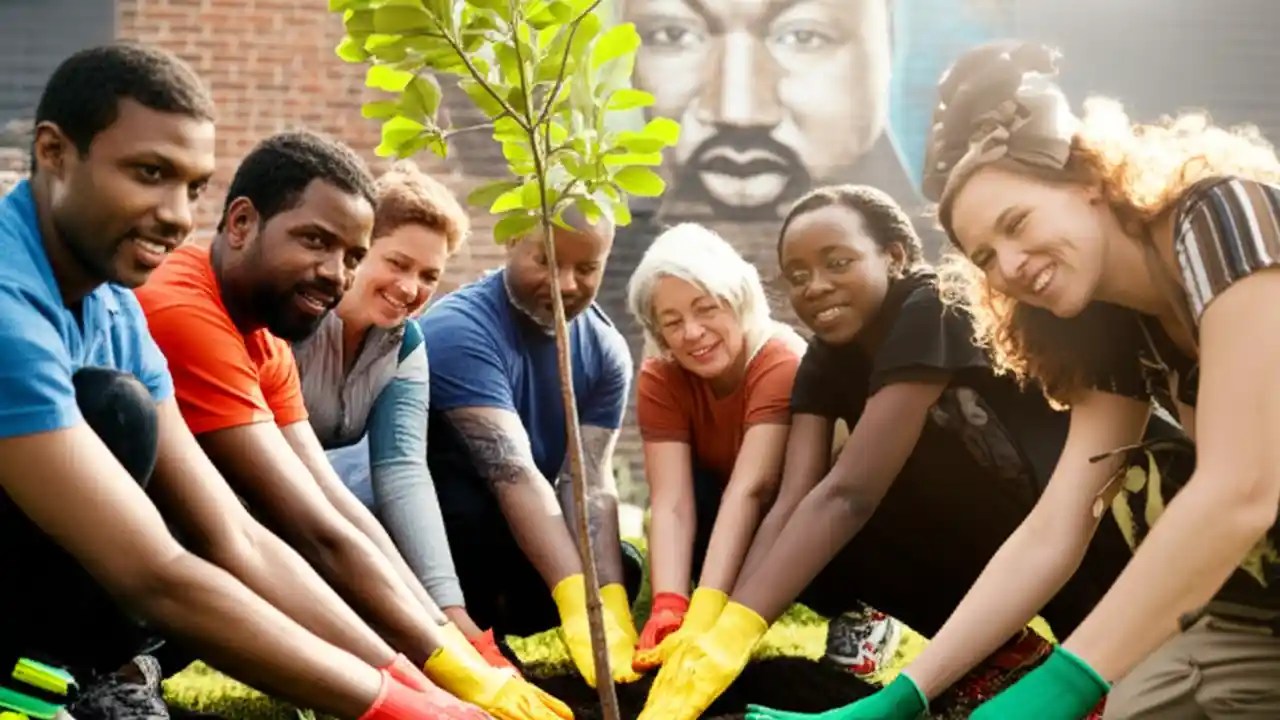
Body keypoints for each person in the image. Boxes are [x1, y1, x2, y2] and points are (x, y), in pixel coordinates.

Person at [751, 40, 1280, 720]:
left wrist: (1064, 684)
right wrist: (900, 700)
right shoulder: (1113, 323)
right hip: (1253, 610)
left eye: (1017, 223)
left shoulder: (1225, 217)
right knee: (1143, 708)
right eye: (985, 256)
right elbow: (1058, 526)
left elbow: (1242, 490)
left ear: (1090, 184)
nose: (1011, 264)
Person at [0, 42, 490, 720]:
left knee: (129, 416)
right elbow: (156, 574)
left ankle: (58, 686)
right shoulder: (10, 305)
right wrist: (407, 708)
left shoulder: (114, 306)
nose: (176, 215)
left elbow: (235, 533)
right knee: (114, 409)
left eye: (191, 187)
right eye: (149, 173)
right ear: (54, 153)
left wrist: (428, 680)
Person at [636, 183, 1166, 720]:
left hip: (1101, 529)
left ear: (893, 255)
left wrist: (735, 632)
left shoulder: (934, 303)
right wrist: (718, 627)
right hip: (1006, 545)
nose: (815, 286)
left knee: (855, 496)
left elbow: (851, 495)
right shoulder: (824, 358)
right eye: (797, 276)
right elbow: (795, 499)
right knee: (822, 525)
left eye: (836, 262)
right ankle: (1000, 661)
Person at [135, 131, 572, 720]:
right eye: (315, 242)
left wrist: (451, 648)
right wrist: (420, 693)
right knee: (242, 497)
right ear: (240, 223)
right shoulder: (188, 311)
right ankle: (106, 666)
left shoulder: (269, 336)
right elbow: (307, 528)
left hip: (170, 547)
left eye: (350, 255)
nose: (333, 273)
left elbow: (337, 505)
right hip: (85, 545)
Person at [294, 160, 514, 670]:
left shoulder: (404, 342)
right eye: (397, 262)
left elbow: (402, 473)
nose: (411, 287)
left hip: (323, 503)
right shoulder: (298, 322)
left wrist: (453, 618)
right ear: (360, 249)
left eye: (429, 275)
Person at [420, 210, 644, 688]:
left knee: (623, 564)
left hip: (521, 550)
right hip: (445, 558)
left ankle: (514, 623)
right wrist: (574, 599)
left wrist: (609, 605)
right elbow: (512, 472)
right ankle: (470, 638)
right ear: (511, 242)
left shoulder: (604, 349)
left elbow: (587, 481)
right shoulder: (458, 331)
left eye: (587, 269)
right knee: (469, 509)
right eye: (547, 261)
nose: (566, 285)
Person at [623, 223, 807, 672]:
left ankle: (862, 612)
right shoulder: (661, 377)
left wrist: (705, 617)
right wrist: (669, 605)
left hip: (795, 518)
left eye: (706, 310)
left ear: (738, 299)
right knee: (698, 491)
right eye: (672, 323)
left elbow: (754, 487)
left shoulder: (780, 359)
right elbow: (669, 502)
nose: (692, 333)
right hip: (727, 510)